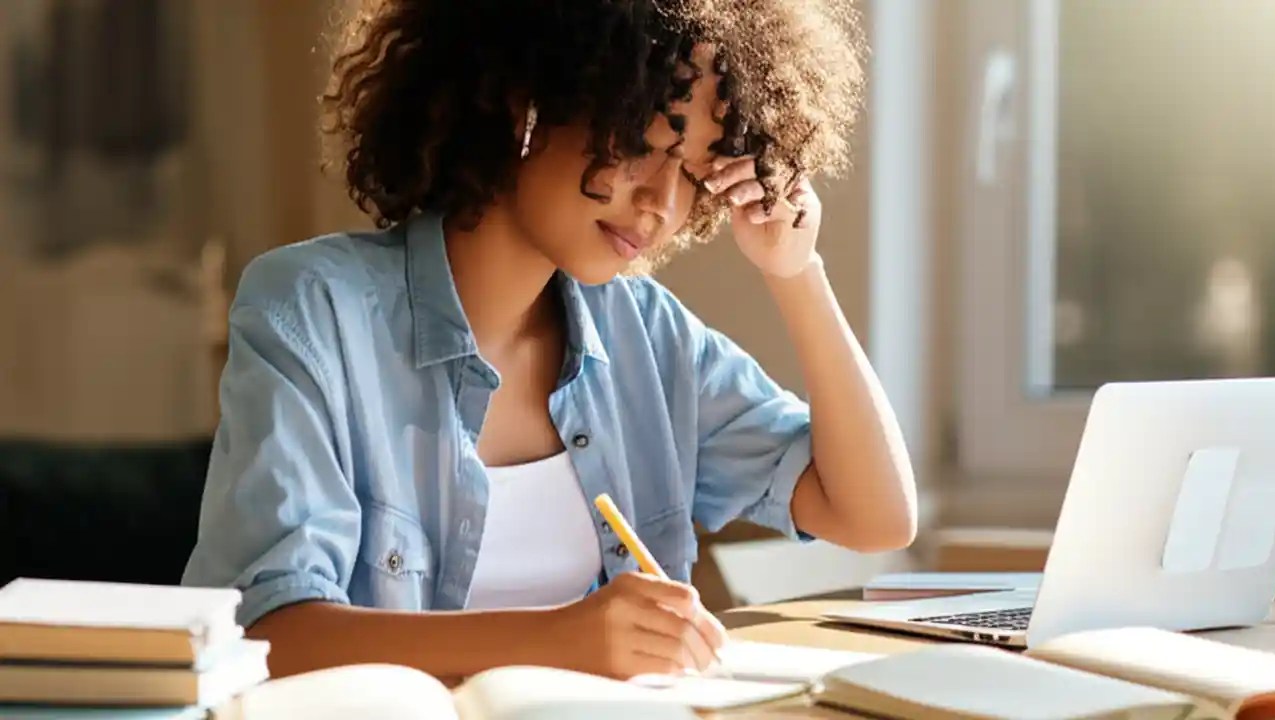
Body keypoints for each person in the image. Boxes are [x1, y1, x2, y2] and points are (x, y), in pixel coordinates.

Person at [182, 0, 916, 682]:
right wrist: (559, 638)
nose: (662, 204)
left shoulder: (647, 338)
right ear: (524, 100)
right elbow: (268, 636)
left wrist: (796, 271)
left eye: (693, 172)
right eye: (640, 143)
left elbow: (874, 516)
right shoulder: (313, 311)